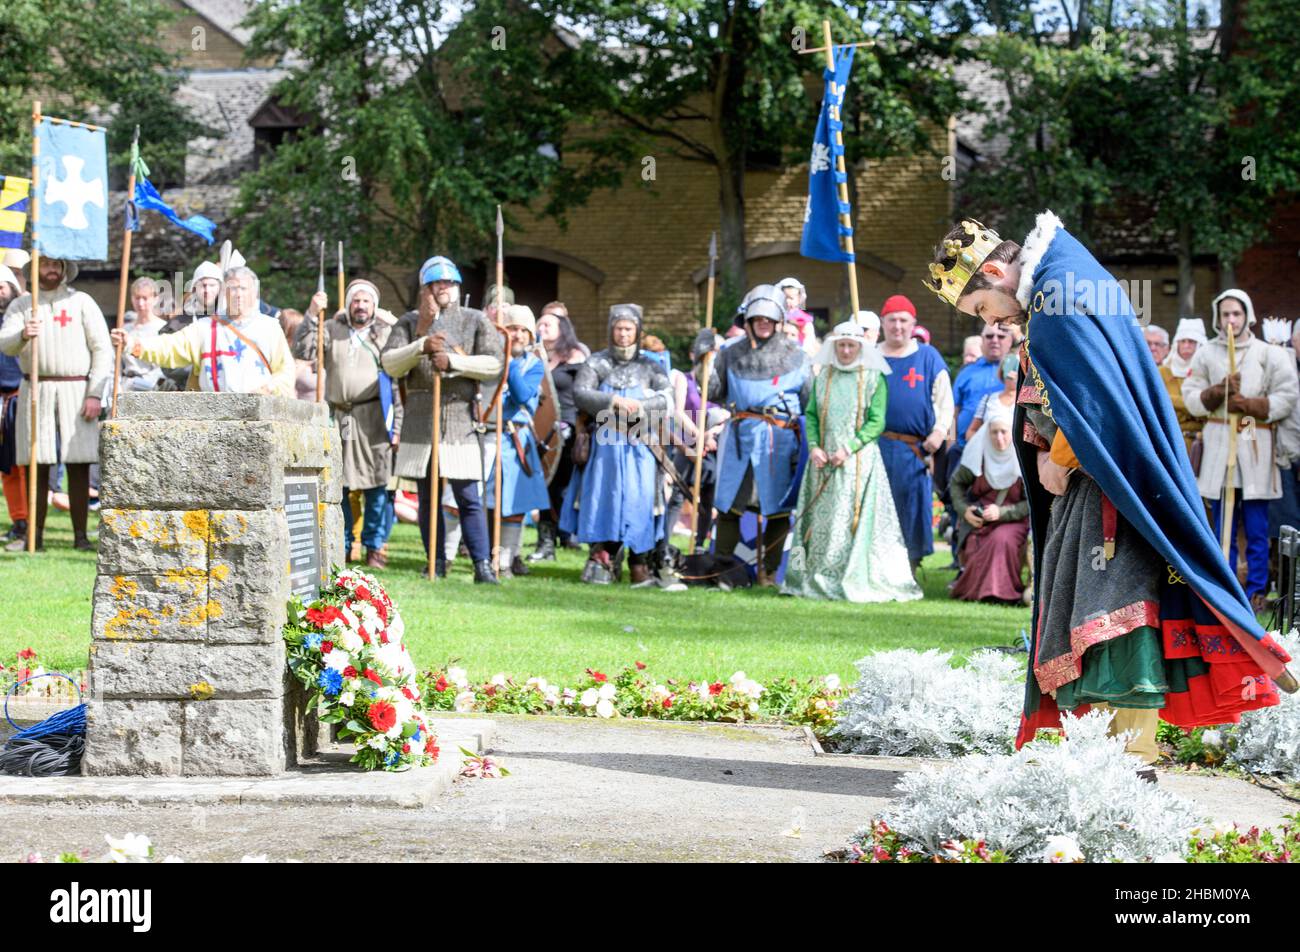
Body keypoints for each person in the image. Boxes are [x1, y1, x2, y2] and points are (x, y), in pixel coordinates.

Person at [927, 211, 1296, 768]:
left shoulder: (1056, 296)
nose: (992, 321)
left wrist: (1055, 457)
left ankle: (1132, 757)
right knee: (1104, 610)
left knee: (1117, 614)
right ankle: (1113, 754)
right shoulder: (1063, 279)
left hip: (1107, 486)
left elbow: (1099, 402)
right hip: (1107, 480)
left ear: (998, 271)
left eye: (982, 307)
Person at [382, 255, 503, 583]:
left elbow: (494, 365)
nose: (444, 288)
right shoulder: (408, 322)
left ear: (457, 285)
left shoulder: (475, 319)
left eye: (449, 283)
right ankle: (434, 561)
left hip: (460, 416)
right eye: (438, 283)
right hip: (421, 417)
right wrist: (421, 345)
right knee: (426, 496)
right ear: (427, 288)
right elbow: (390, 364)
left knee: (468, 495)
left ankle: (482, 565)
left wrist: (454, 362)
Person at [783, 322, 920, 603]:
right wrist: (814, 447)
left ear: (861, 347)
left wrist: (849, 448)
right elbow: (810, 415)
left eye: (851, 346)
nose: (845, 351)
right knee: (812, 519)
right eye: (841, 345)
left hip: (857, 463)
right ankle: (801, 574)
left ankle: (847, 575)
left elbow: (876, 421)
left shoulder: (873, 377)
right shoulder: (824, 377)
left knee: (848, 520)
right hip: (821, 462)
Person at [1183, 289, 1299, 612]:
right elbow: (1190, 394)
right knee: (1223, 525)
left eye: (1236, 313)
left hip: (1254, 443)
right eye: (1225, 314)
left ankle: (1257, 591)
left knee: (1258, 527)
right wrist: (1217, 393)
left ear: (1247, 314)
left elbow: (1287, 395)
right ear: (1217, 317)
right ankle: (1227, 588)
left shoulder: (1268, 354)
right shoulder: (1207, 353)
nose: (1231, 320)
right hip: (1220, 444)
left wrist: (1251, 405)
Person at [560, 303, 684, 589]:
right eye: (619, 328)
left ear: (638, 331)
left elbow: (668, 399)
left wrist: (640, 406)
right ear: (611, 330)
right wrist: (613, 402)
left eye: (629, 329)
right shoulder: (597, 363)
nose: (624, 334)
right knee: (606, 499)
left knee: (638, 502)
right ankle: (603, 559)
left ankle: (639, 565)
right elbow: (580, 394)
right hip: (606, 446)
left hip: (640, 445)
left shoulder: (651, 366)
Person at [702, 284, 811, 586]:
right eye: (757, 318)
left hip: (779, 441)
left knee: (776, 509)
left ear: (778, 322)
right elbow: (713, 393)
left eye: (769, 319)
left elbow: (809, 403)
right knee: (729, 505)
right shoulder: (728, 354)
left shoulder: (798, 357)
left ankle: (769, 573)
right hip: (739, 438)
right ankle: (722, 569)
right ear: (747, 321)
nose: (763, 323)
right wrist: (704, 361)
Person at [0, 257, 111, 551]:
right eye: (45, 265)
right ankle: (33, 537)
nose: (51, 270)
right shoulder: (22, 306)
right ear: (34, 270)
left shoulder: (82, 302)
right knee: (38, 462)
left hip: (77, 389)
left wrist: (94, 394)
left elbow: (102, 348)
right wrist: (24, 334)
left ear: (64, 270)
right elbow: (5, 342)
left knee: (78, 463)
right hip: (35, 387)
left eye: (55, 265)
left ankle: (80, 537)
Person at [294, 278, 400, 569]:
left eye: (366, 301)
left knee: (377, 483)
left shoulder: (386, 335)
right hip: (339, 416)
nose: (361, 306)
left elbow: (398, 378)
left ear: (374, 306)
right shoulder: (332, 329)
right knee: (339, 484)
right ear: (348, 304)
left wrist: (398, 424)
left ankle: (374, 546)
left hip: (374, 417)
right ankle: (341, 543)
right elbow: (304, 351)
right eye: (356, 300)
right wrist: (312, 314)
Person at [113, 266, 295, 398]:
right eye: (232, 288)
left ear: (254, 292)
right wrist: (131, 344)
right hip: (213, 414)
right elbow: (169, 346)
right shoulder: (205, 328)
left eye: (243, 288)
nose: (237, 294)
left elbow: (286, 371)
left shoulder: (270, 327)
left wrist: (269, 389)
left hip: (259, 414)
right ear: (224, 292)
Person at [876, 293, 954, 572]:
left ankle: (909, 566)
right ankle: (879, 567)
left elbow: (944, 399)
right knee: (879, 507)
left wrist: (938, 432)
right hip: (877, 446)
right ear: (883, 322)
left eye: (903, 320)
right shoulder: (872, 357)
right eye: (892, 320)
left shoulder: (927, 356)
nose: (898, 326)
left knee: (912, 507)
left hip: (914, 449)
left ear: (913, 323)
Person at [485, 305, 552, 577]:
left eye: (524, 330)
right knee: (486, 502)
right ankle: (484, 555)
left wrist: (510, 365)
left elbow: (524, 396)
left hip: (516, 439)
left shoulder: (532, 364)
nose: (519, 334)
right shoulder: (490, 359)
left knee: (513, 505)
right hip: (487, 436)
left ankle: (505, 561)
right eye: (513, 328)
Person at [948, 405, 1029, 603]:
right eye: (994, 432)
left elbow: (1030, 504)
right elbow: (956, 486)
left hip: (1013, 520)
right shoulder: (978, 456)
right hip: (980, 520)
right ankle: (976, 591)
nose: (999, 438)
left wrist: (1002, 512)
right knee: (976, 541)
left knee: (1001, 539)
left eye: (1004, 432)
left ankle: (1001, 593)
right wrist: (965, 510)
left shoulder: (1023, 461)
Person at [528, 302, 586, 561]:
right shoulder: (533, 357)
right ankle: (546, 541)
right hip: (537, 430)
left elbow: (585, 397)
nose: (542, 327)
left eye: (547, 324)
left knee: (558, 486)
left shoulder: (575, 357)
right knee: (541, 486)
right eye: (539, 323)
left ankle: (555, 539)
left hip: (567, 430)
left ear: (562, 329)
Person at [0, 265, 27, 543]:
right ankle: (17, 520)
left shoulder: (21, 317)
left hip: (19, 396)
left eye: (1, 287)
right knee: (5, 467)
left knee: (20, 464)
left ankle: (29, 521)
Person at [1160, 317, 1207, 456]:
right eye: (1183, 341)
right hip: (1171, 442)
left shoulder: (1206, 373)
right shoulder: (1162, 372)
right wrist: (1193, 404)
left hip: (1201, 444)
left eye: (1192, 342)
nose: (1186, 345)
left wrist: (1171, 401)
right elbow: (1159, 403)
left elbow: (1206, 408)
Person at [116, 277, 169, 396]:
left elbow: (166, 363)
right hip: (126, 387)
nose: (140, 303)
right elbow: (117, 363)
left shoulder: (163, 328)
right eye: (137, 298)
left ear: (155, 299)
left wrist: (150, 382)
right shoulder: (125, 329)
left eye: (145, 298)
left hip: (153, 388)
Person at [965, 353, 1020, 442]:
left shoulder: (1027, 403)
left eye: (1017, 369)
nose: (1013, 375)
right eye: (1010, 368)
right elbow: (971, 431)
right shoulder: (988, 399)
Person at [776, 276, 820, 360]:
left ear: (799, 299)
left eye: (791, 298)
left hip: (799, 352)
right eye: (785, 298)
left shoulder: (803, 319)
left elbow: (809, 338)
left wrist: (804, 350)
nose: (788, 301)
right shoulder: (776, 316)